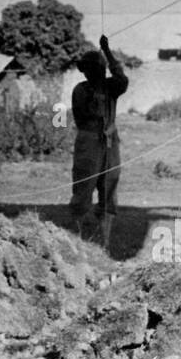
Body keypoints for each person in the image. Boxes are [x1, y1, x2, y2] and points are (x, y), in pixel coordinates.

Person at [69, 34, 130, 245]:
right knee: (84, 185)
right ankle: (80, 238)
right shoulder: (81, 89)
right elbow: (86, 114)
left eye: (98, 67)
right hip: (90, 141)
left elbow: (122, 79)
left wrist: (107, 52)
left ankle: (104, 240)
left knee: (110, 185)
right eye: (91, 68)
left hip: (110, 141)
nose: (96, 72)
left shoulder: (110, 86)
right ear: (85, 71)